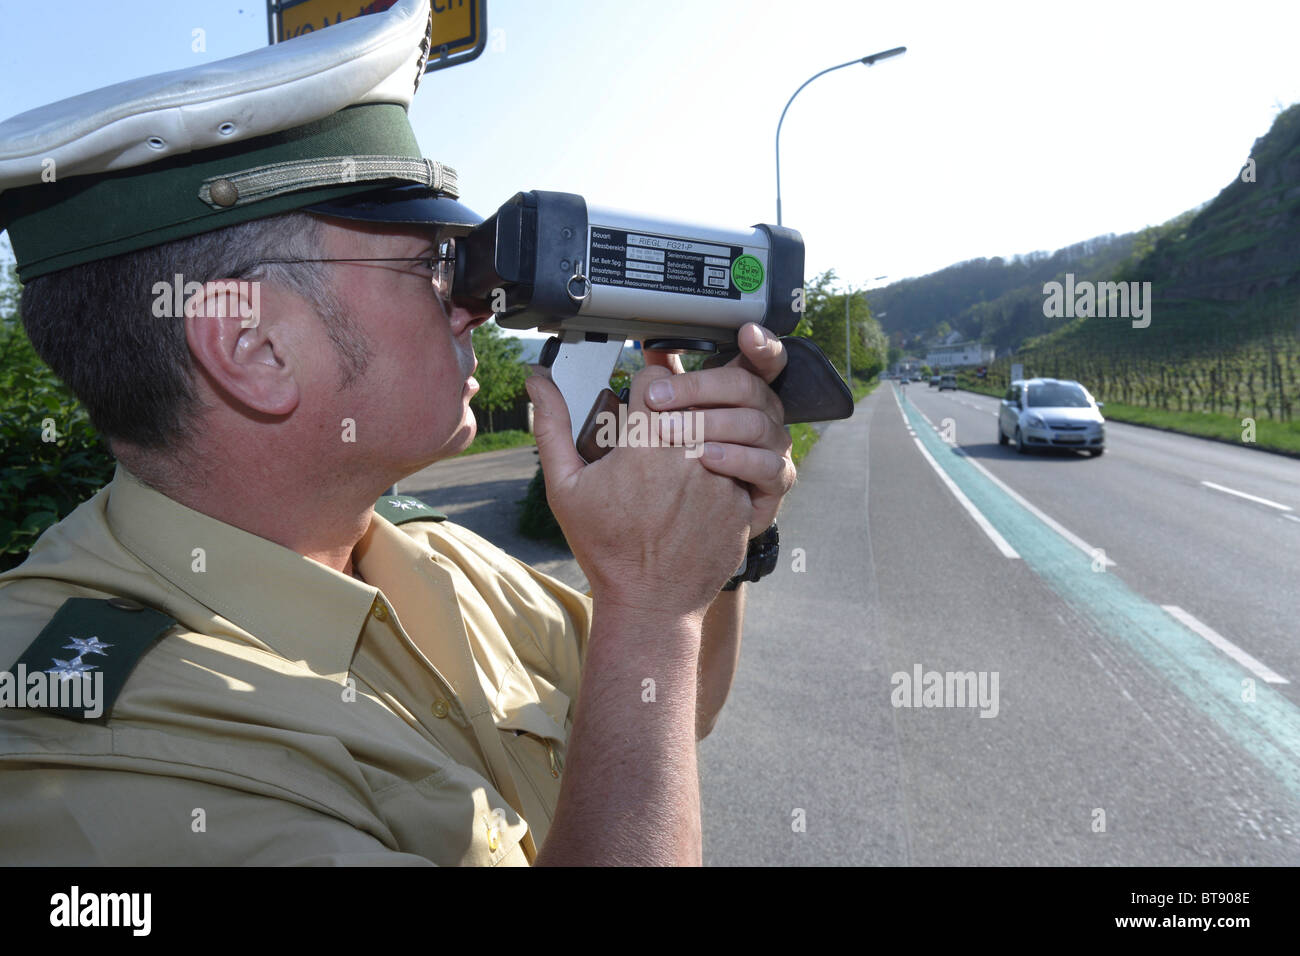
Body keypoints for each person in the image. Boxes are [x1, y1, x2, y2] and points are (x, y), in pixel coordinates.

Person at [0, 0, 794, 865]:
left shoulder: (423, 554)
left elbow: (677, 706)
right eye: (428, 265)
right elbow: (652, 652)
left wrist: (714, 542)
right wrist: (647, 602)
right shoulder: (90, 750)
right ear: (254, 347)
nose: (470, 304)